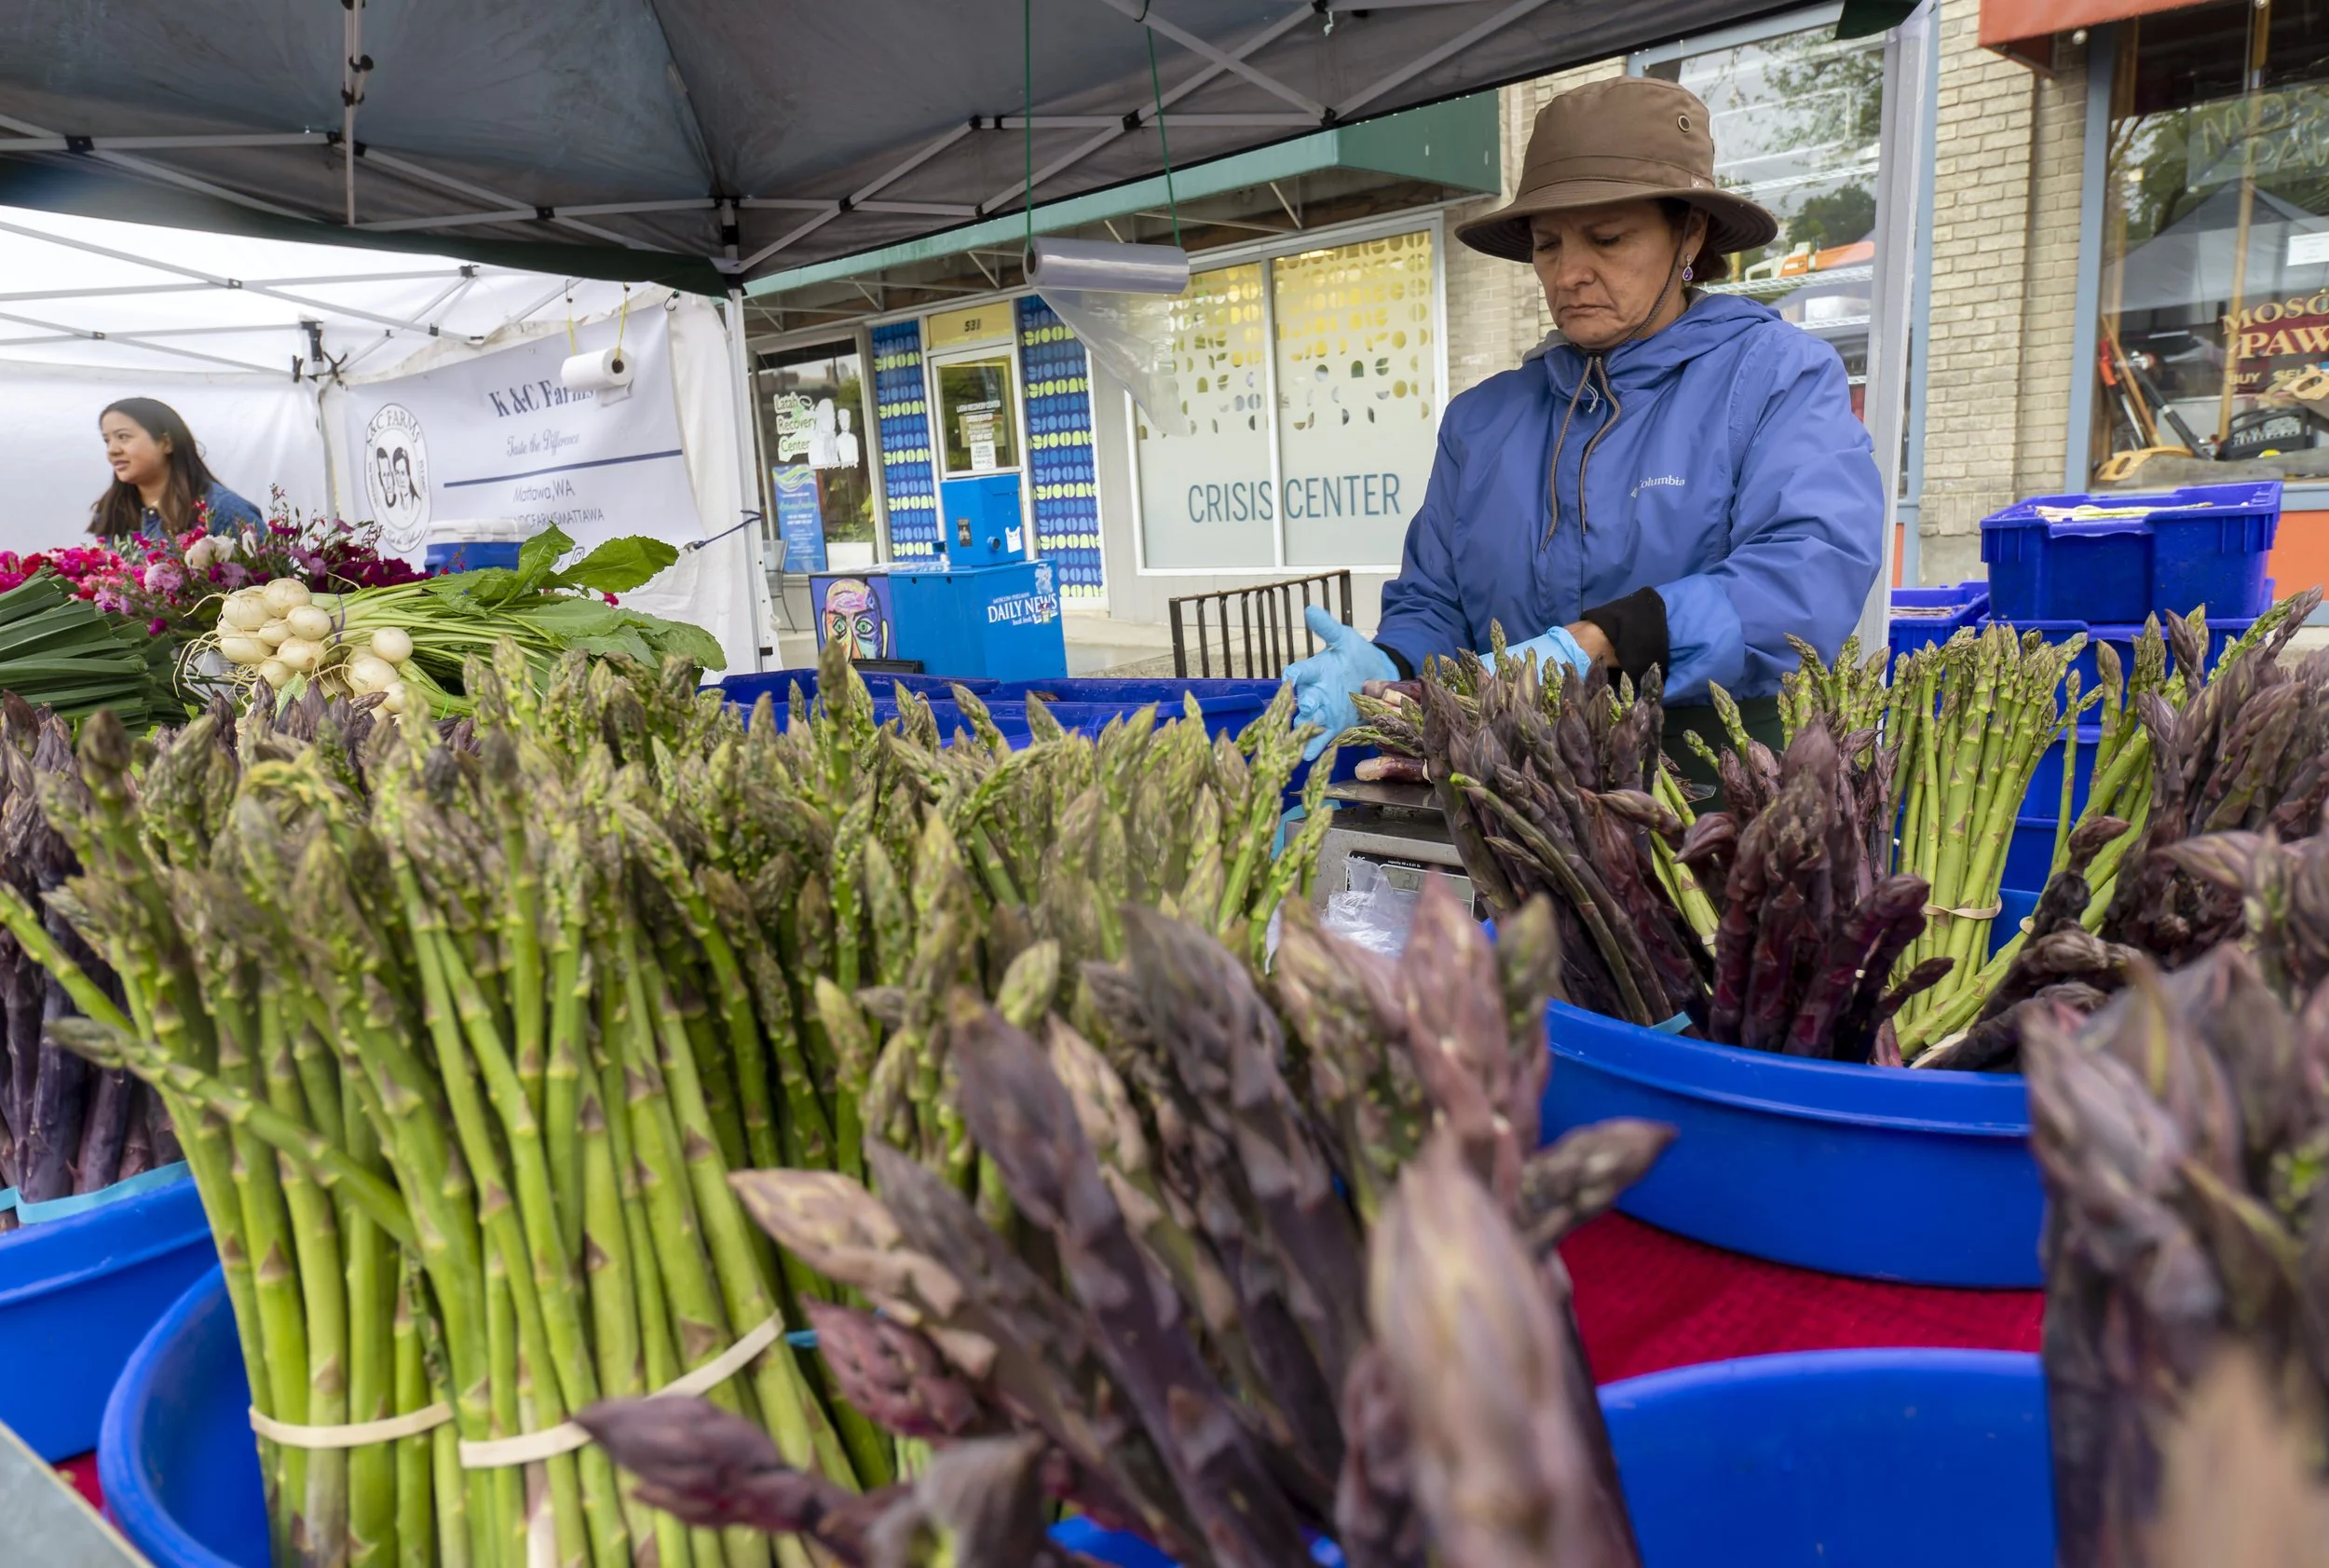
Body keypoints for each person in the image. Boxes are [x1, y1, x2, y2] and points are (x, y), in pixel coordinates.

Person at [1285, 76, 1883, 790]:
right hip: (1513, 794)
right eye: (1547, 245)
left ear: (1690, 233)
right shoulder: (1481, 421)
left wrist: (1606, 641)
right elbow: (1435, 603)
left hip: (1715, 797)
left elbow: (1811, 566)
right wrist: (1393, 664)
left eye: (1606, 238)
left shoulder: (1775, 377)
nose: (1568, 273)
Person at [89, 397, 263, 540]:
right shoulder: (111, 510)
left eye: (123, 437)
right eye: (107, 441)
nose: (112, 450)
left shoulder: (223, 509)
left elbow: (266, 570)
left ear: (167, 443)